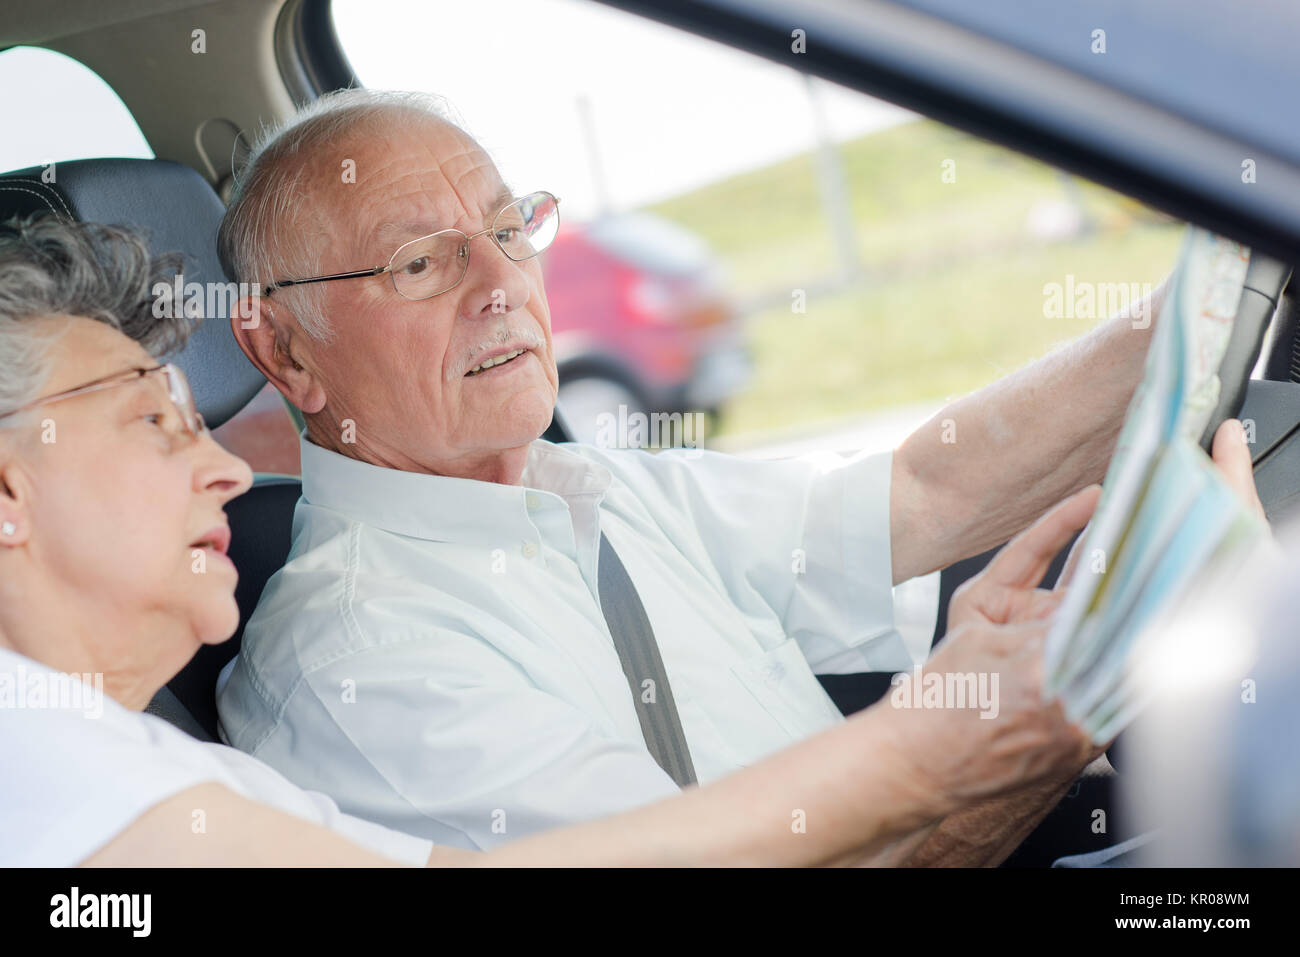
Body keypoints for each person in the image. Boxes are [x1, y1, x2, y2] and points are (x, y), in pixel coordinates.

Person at [215, 88, 1242, 852]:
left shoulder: (601, 491)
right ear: (286, 353)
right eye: (420, 263)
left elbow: (924, 491)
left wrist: (1213, 291)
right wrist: (1025, 719)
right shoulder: (362, 669)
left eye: (504, 228)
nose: (503, 286)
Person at [0, 212, 1112, 866]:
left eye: (509, 228)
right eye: (154, 421)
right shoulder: (35, 761)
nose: (233, 469)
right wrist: (938, 751)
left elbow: (911, 497)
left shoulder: (127, 756)